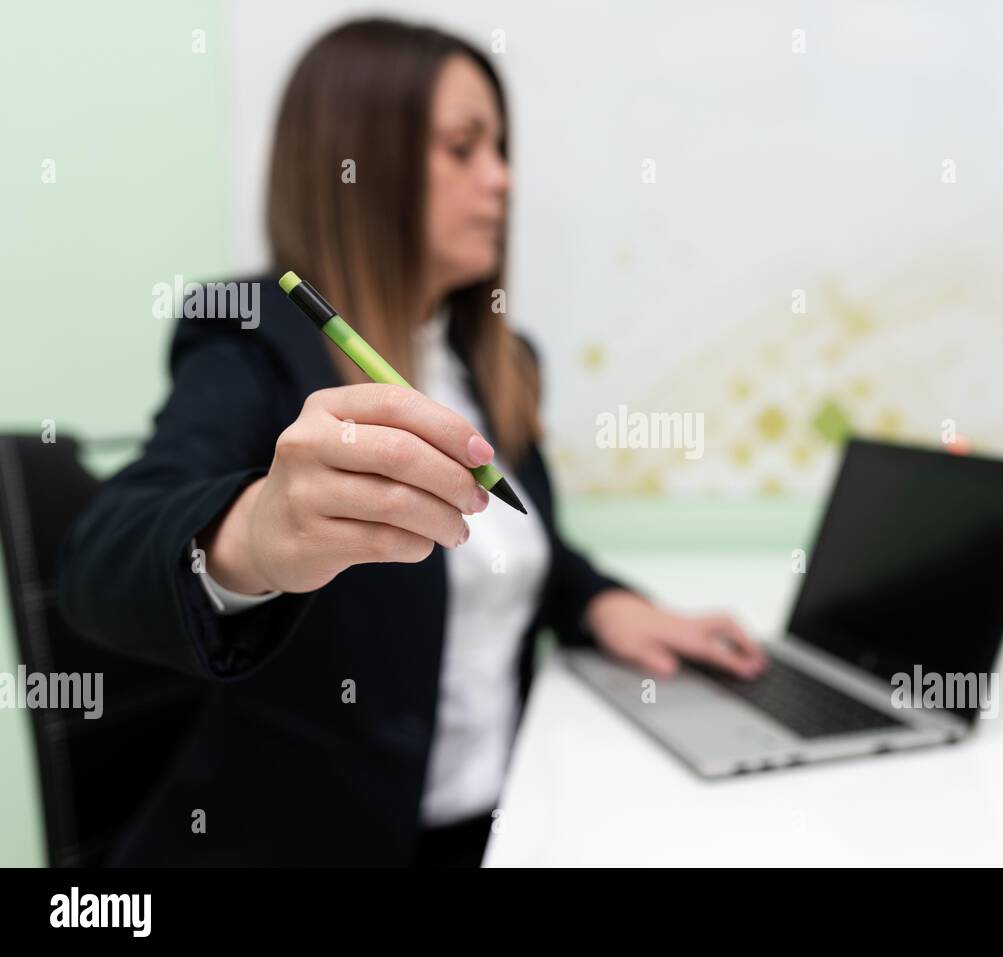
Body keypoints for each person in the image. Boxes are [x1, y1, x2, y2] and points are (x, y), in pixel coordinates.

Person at [57, 18, 767, 867]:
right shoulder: (252, 336)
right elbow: (100, 557)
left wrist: (601, 601)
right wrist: (255, 533)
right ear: (358, 163)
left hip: (505, 822)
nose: (501, 180)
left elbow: (513, 542)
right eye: (464, 149)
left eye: (500, 149)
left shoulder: (500, 359)